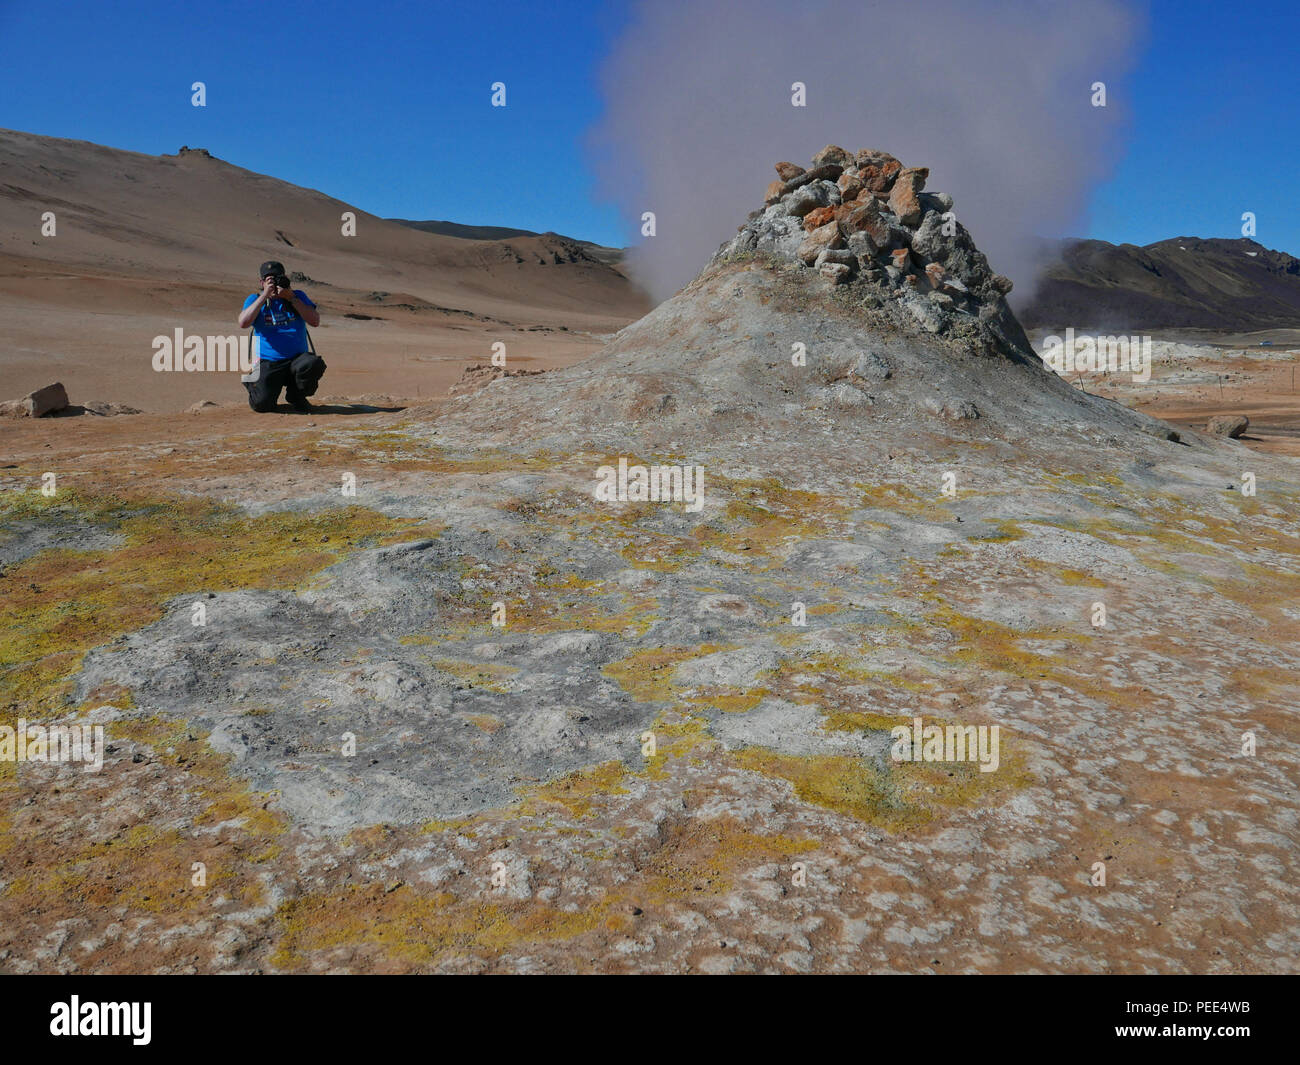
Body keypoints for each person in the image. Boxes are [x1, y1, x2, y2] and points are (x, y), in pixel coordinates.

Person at [237, 260, 325, 413]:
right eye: (270, 279)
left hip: (297, 360)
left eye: (278, 278)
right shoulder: (255, 299)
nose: (275, 282)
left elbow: (315, 321)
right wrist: (264, 296)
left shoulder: (297, 296)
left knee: (313, 364)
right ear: (262, 281)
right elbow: (243, 323)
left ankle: (296, 396)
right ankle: (255, 384)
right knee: (262, 405)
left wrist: (291, 298)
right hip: (269, 362)